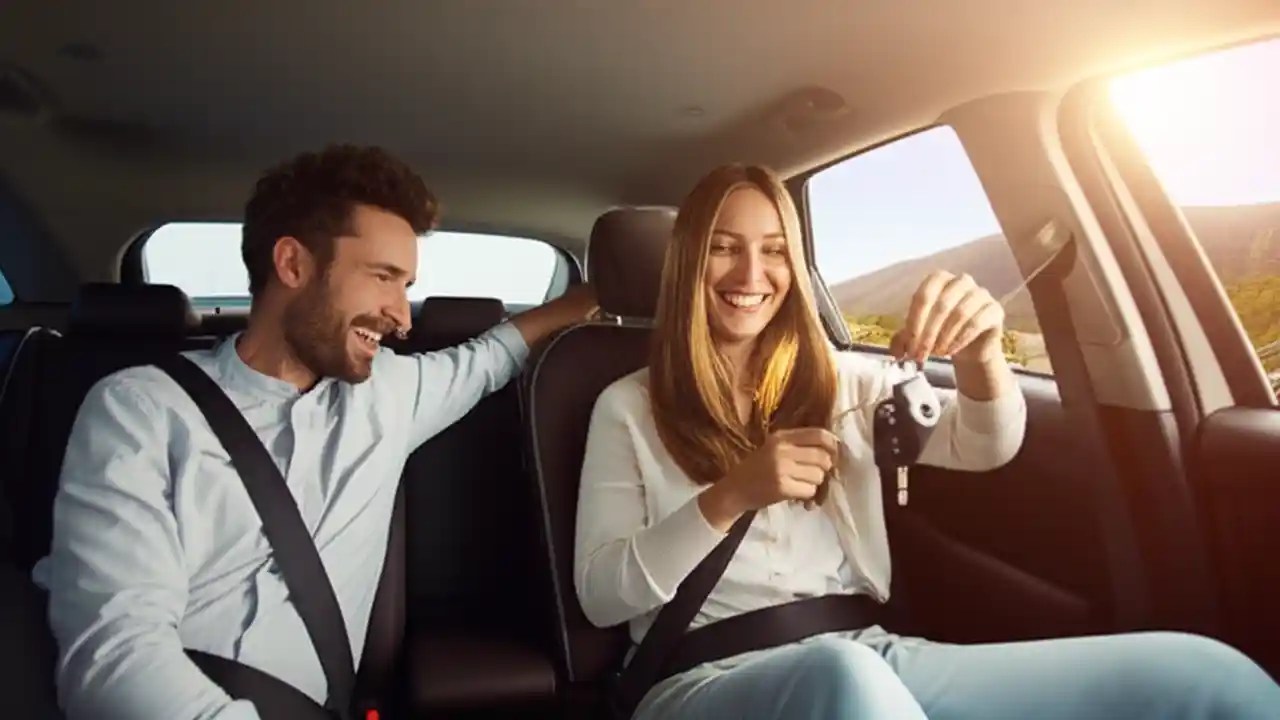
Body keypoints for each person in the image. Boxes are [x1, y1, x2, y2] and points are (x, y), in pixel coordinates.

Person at [573, 163, 1280, 719]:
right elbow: (603, 596)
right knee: (844, 680)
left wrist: (980, 358)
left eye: (774, 250)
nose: (751, 275)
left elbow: (982, 445)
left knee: (1199, 675)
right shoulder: (627, 407)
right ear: (689, 259)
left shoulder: (846, 380)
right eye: (725, 248)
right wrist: (731, 496)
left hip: (868, 650)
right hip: (701, 678)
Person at [33, 144, 598, 720]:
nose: (402, 318)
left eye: (406, 285)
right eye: (384, 277)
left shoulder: (392, 393)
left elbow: (491, 356)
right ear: (293, 265)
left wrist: (597, 297)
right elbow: (114, 655)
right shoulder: (140, 410)